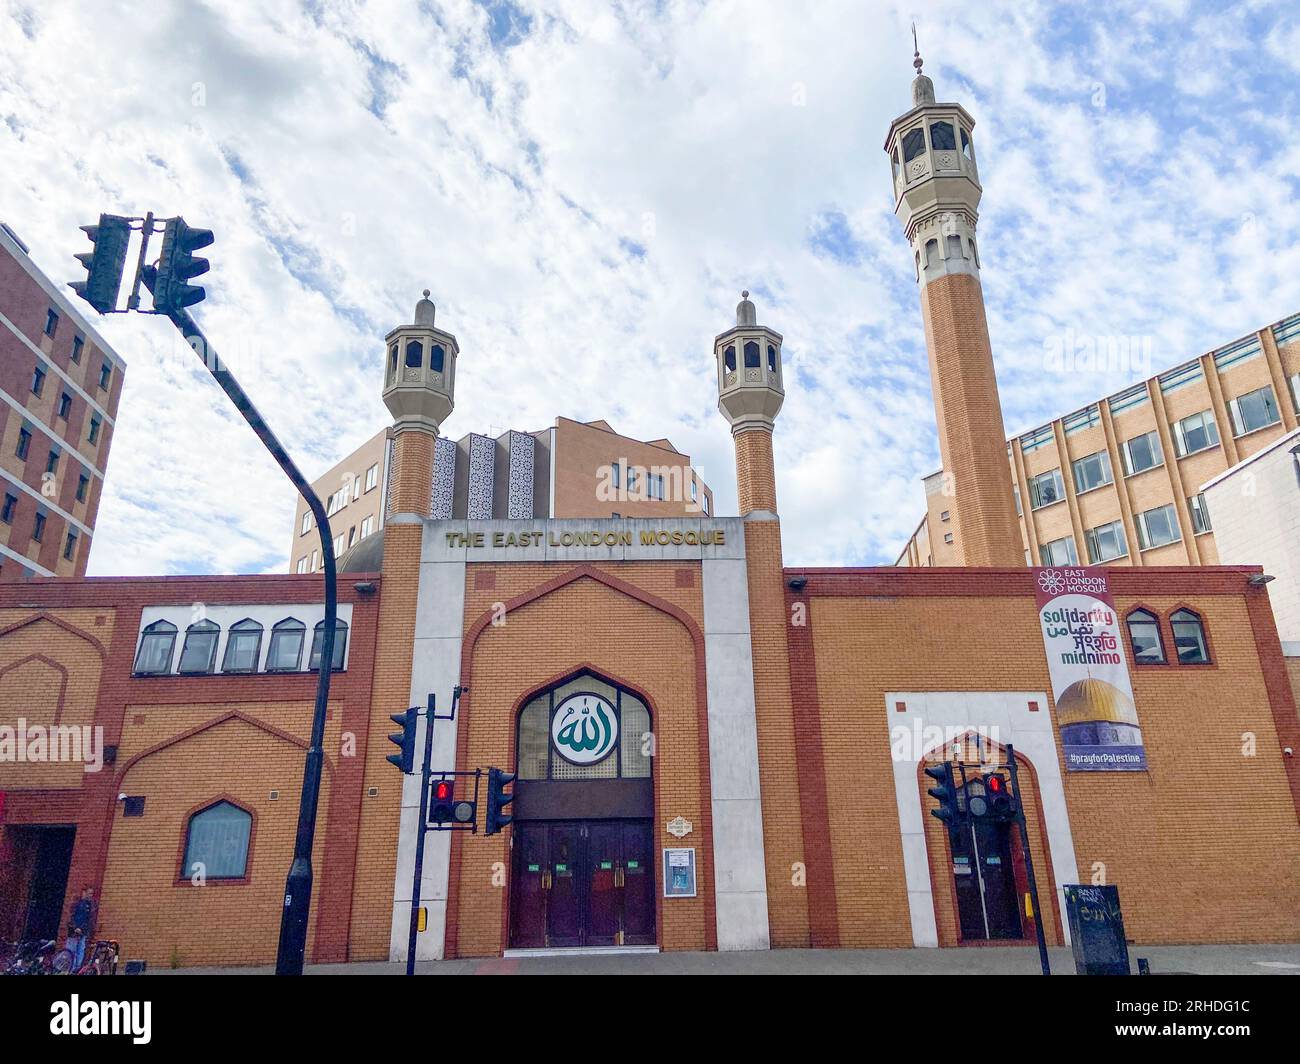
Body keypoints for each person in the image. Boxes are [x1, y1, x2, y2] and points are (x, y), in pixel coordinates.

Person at [67, 887, 96, 971]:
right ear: (84, 893)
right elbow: (71, 916)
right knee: (72, 950)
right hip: (74, 931)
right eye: (89, 893)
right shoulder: (76, 903)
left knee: (80, 950)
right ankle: (70, 969)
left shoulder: (89, 905)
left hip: (83, 931)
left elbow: (88, 919)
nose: (91, 895)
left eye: (92, 894)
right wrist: (75, 927)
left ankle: (76, 969)